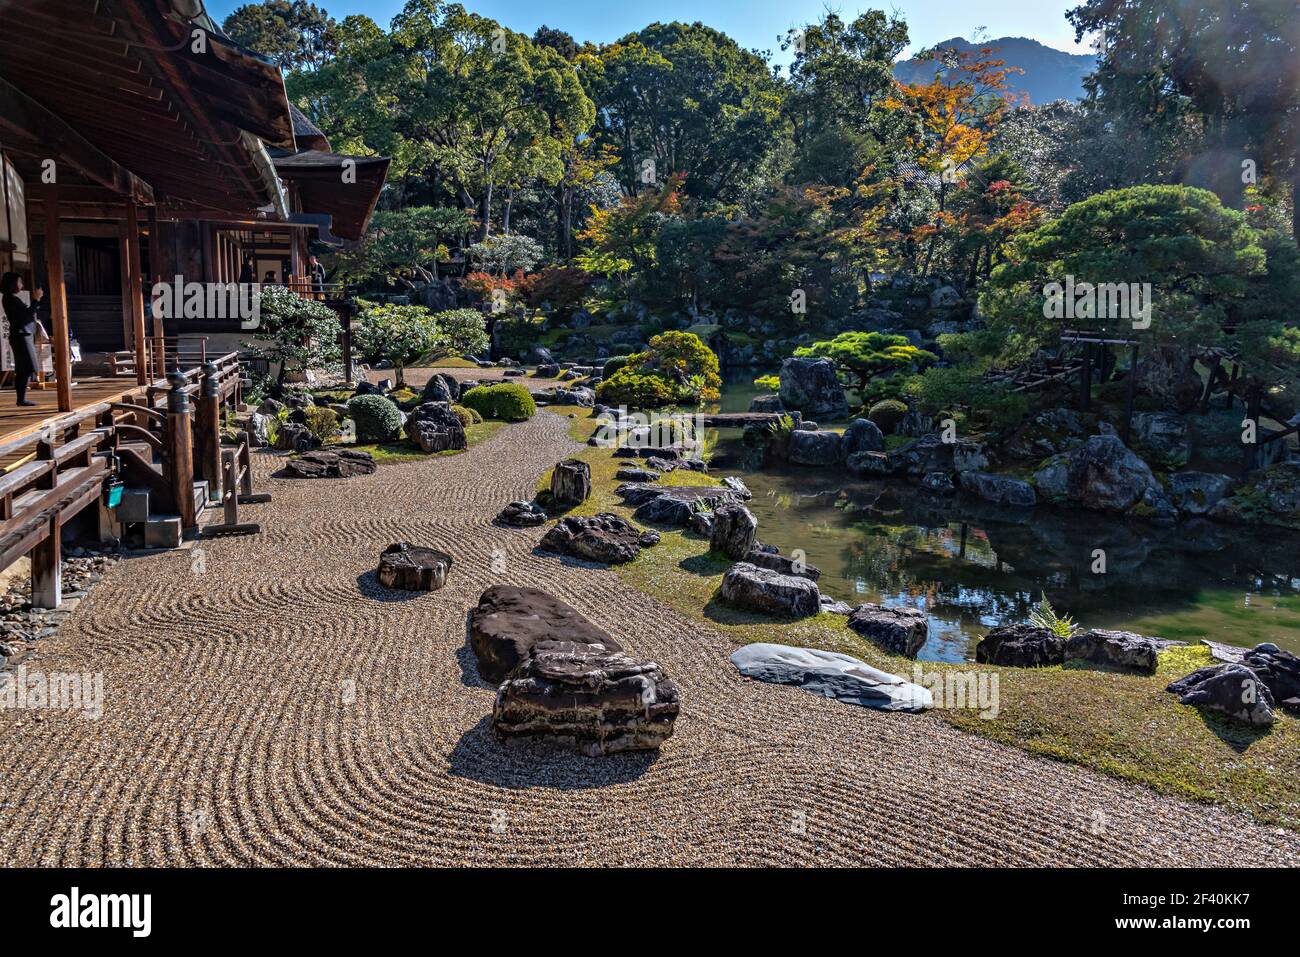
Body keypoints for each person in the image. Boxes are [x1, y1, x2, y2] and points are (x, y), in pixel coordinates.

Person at [1, 272, 43, 406]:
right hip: (21, 335)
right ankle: (21, 399)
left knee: (24, 368)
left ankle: (21, 399)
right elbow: (25, 316)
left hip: (23, 335)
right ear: (13, 283)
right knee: (28, 367)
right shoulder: (10, 299)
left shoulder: (12, 298)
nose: (21, 285)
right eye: (19, 282)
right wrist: (36, 300)